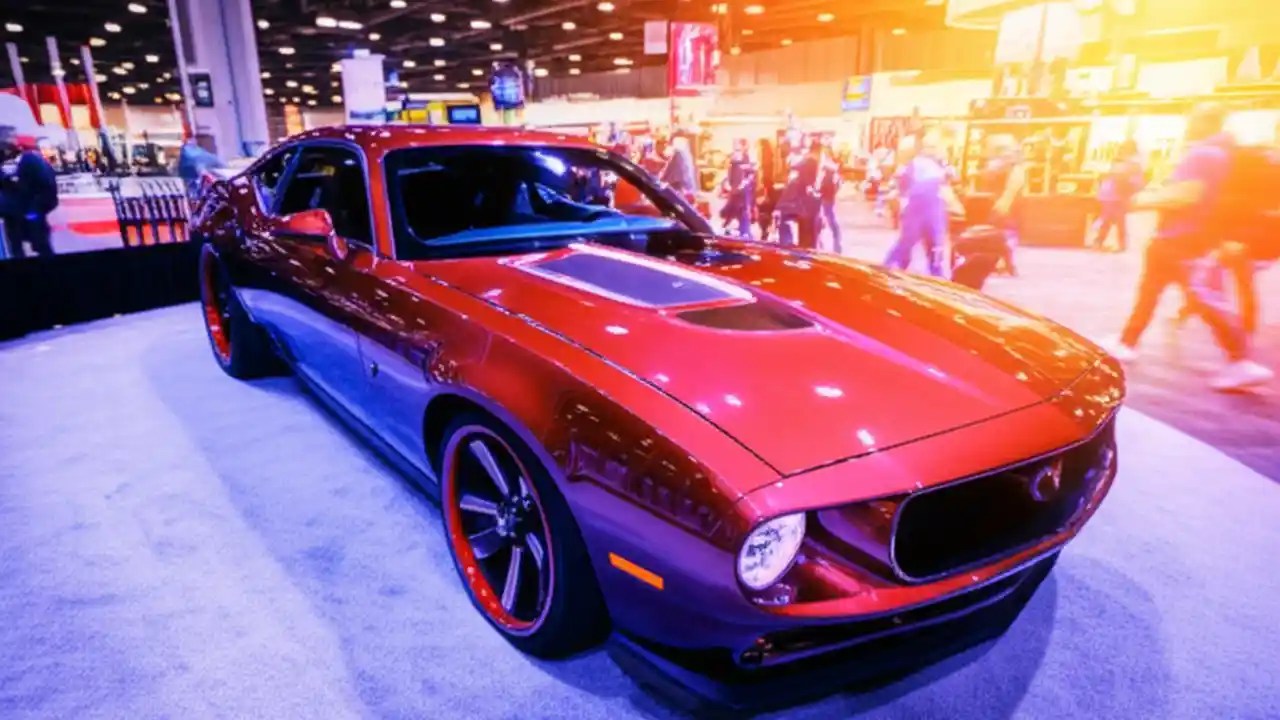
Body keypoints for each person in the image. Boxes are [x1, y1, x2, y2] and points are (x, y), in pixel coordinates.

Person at [1100, 104, 1272, 391]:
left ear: (1204, 122)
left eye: (1191, 119)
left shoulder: (1203, 154)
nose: (1187, 124)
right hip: (1182, 238)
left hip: (1184, 238)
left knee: (1203, 297)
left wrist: (1144, 199)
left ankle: (1240, 360)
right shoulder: (1222, 152)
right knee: (1151, 291)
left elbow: (1188, 195)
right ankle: (1127, 341)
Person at [883, 131, 960, 276]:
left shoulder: (939, 165)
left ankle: (934, 274)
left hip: (932, 210)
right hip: (920, 209)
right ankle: (892, 268)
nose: (932, 150)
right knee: (909, 244)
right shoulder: (917, 164)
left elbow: (952, 179)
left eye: (935, 147)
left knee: (933, 246)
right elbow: (903, 184)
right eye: (929, 147)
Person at [0, 127, 58, 259]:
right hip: (25, 210)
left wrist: (34, 209)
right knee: (37, 244)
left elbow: (33, 186)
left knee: (26, 244)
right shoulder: (31, 159)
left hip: (24, 210)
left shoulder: (28, 160)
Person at [976, 134, 1025, 275]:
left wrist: (1005, 200)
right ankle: (1002, 262)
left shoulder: (1014, 167)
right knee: (999, 233)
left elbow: (1015, 184)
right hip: (997, 202)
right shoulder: (997, 165)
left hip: (1006, 204)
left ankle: (1004, 263)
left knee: (1006, 232)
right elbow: (986, 178)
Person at [1090, 139, 1144, 252]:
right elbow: (1134, 181)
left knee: (1109, 219)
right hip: (1116, 195)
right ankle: (1117, 244)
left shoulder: (1120, 161)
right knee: (1117, 220)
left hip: (1109, 194)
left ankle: (1101, 242)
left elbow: (1113, 176)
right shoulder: (1132, 163)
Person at [775, 138, 821, 249]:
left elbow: (804, 184)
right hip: (802, 205)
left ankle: (793, 250)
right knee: (806, 237)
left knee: (802, 235)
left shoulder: (805, 164)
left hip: (800, 205)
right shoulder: (806, 164)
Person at [719, 138, 757, 239]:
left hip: (744, 190)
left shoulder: (748, 158)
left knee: (743, 210)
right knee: (732, 209)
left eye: (739, 146)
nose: (736, 148)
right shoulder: (733, 159)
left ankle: (745, 232)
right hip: (735, 189)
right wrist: (728, 183)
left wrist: (744, 184)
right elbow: (730, 172)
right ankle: (731, 228)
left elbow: (752, 174)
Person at [818, 141, 844, 254]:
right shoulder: (831, 165)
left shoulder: (827, 165)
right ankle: (834, 243)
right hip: (827, 194)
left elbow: (833, 181)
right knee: (828, 218)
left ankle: (834, 243)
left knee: (827, 218)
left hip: (825, 194)